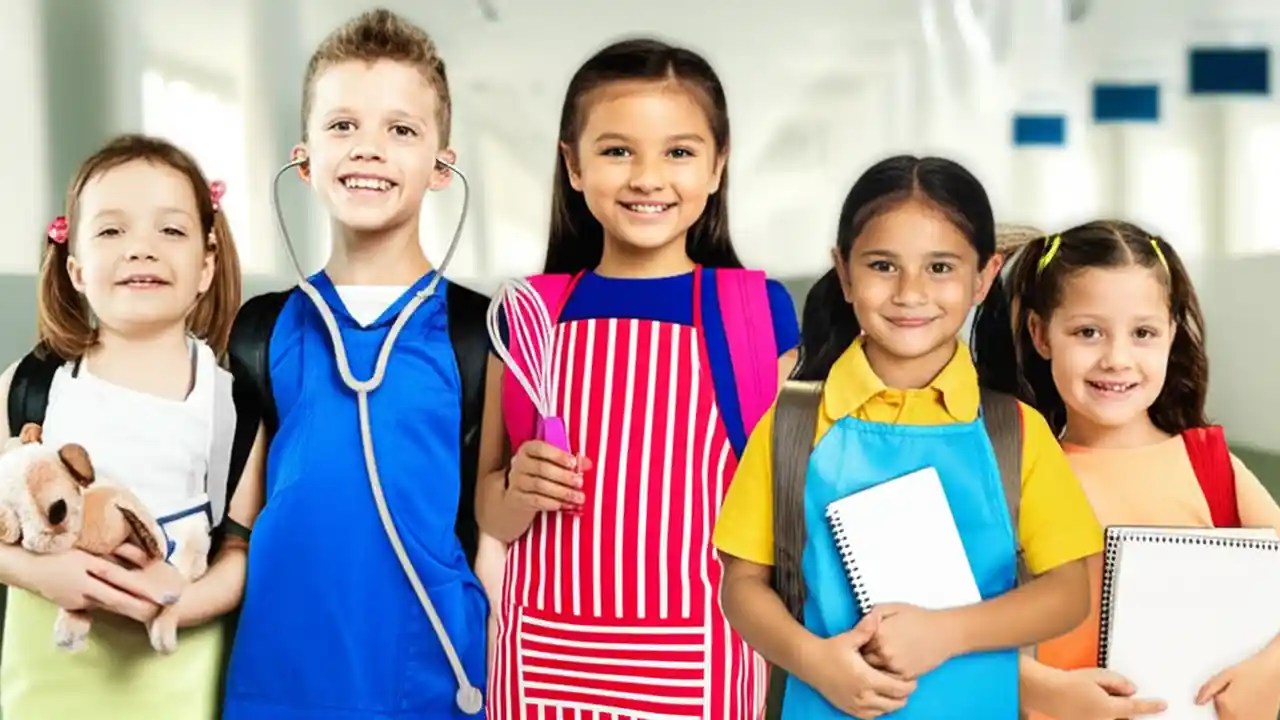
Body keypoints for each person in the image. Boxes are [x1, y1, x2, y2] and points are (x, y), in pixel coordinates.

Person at [473, 38, 800, 720]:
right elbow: (489, 509)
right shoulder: (527, 313)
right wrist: (519, 490)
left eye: (678, 152)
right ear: (573, 164)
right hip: (544, 658)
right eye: (617, 150)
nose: (647, 177)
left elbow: (781, 513)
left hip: (704, 654)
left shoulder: (757, 315)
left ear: (717, 166)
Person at [713, 155, 1103, 719]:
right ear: (844, 273)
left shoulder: (1015, 431)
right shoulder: (794, 422)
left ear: (984, 277)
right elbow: (743, 585)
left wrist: (949, 632)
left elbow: (1068, 593)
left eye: (941, 267)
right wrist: (816, 661)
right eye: (882, 266)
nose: (911, 292)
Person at [220, 8, 491, 719]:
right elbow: (235, 526)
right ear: (304, 158)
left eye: (401, 129)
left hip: (433, 675)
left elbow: (496, 536)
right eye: (342, 126)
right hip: (281, 675)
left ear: (441, 166)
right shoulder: (263, 327)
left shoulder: (478, 331)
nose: (368, 148)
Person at [0, 133, 250, 720]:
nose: (141, 249)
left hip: (178, 683)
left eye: (171, 230)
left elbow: (239, 550)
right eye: (112, 231)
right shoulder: (31, 385)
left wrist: (175, 601)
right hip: (45, 688)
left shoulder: (234, 403)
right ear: (76, 267)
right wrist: (41, 572)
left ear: (207, 265)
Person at [997, 221, 1280, 720]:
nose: (1117, 358)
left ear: (1171, 334)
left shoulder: (1210, 466)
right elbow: (957, 630)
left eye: (1143, 333)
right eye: (1088, 332)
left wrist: (1272, 669)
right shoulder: (1014, 474)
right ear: (1041, 335)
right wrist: (1041, 690)